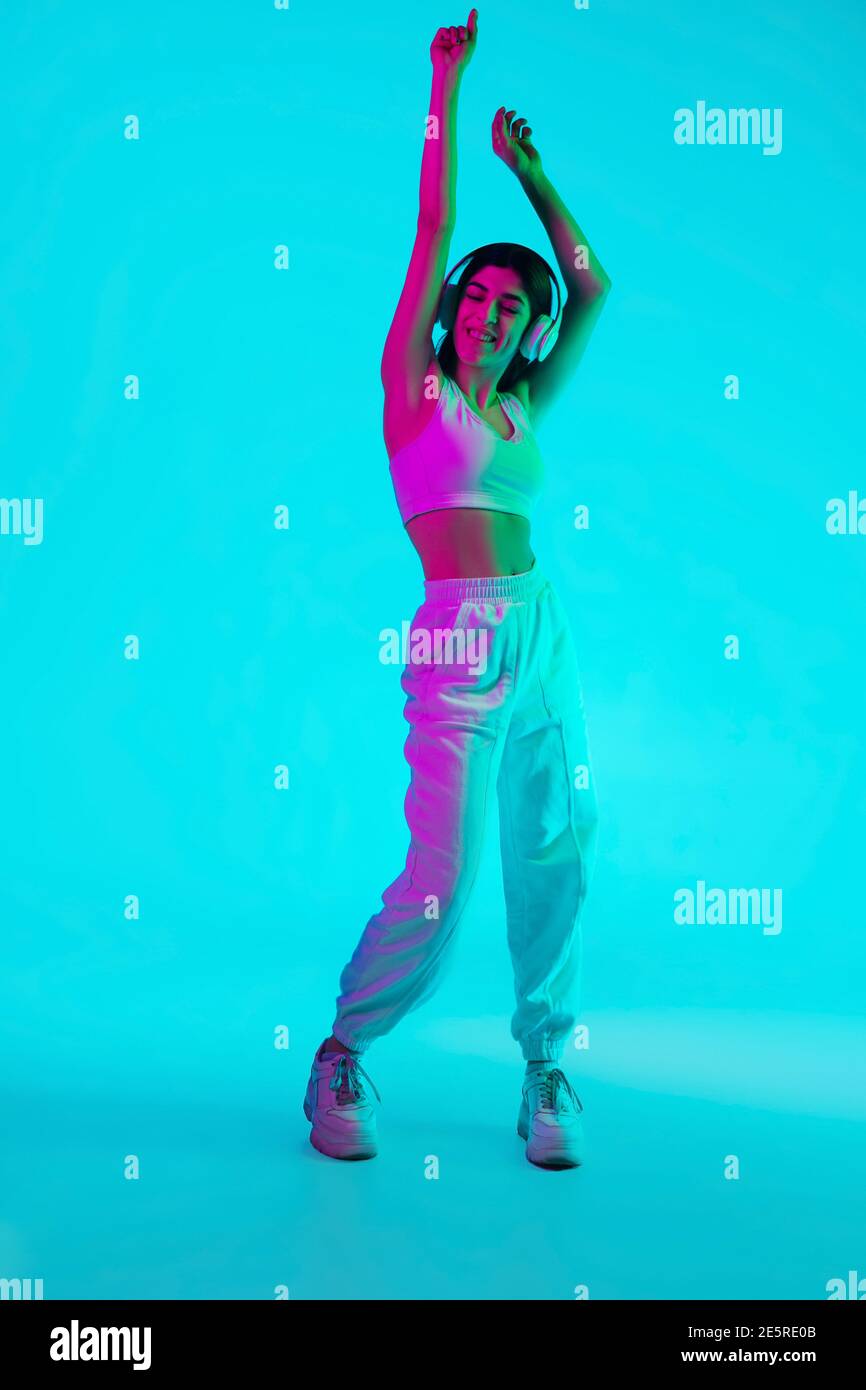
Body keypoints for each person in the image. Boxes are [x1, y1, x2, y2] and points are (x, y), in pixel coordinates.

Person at [303, 8, 611, 1168]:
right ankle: (340, 1051)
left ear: (527, 331)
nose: (489, 311)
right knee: (441, 881)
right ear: (453, 310)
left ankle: (544, 1065)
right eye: (476, 297)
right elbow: (431, 225)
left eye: (509, 306)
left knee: (559, 843)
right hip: (452, 644)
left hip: (542, 631)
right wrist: (445, 87)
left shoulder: (522, 404)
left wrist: (534, 178)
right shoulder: (414, 390)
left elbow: (591, 286)